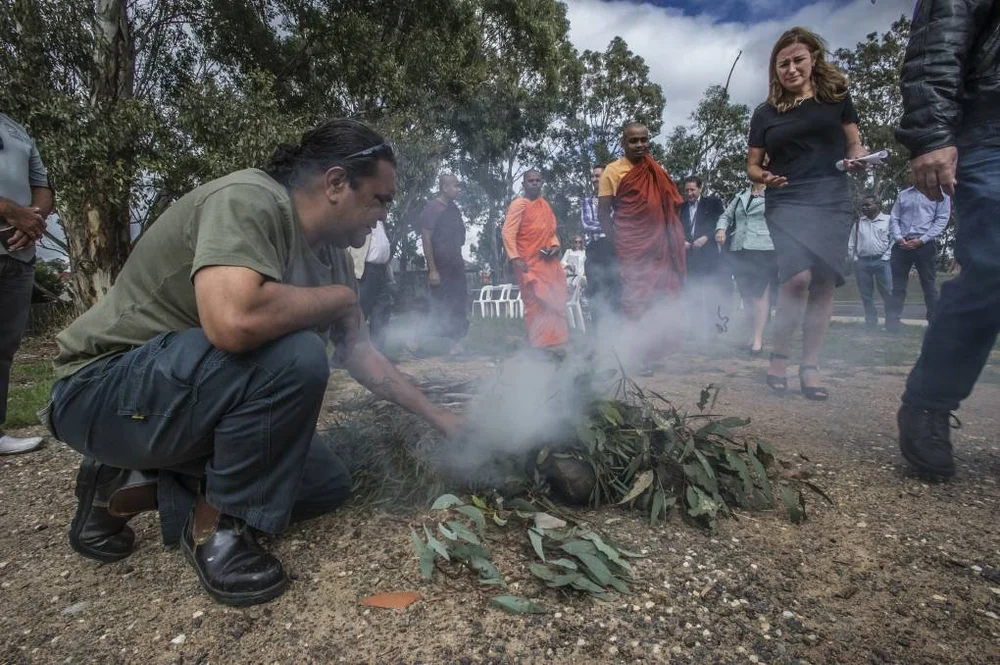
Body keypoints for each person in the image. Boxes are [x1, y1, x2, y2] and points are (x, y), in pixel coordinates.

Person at [44, 119, 462, 606]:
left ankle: (122, 482)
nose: (383, 216)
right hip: (96, 390)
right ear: (335, 183)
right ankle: (216, 528)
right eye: (380, 199)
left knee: (325, 484)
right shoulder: (248, 199)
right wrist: (337, 300)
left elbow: (362, 355)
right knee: (298, 356)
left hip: (165, 402)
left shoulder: (330, 258)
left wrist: (442, 418)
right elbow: (233, 322)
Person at [895, 0, 1000, 480]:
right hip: (992, 127)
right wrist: (931, 132)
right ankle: (929, 402)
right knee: (992, 269)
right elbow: (943, 27)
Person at [747, 27, 869, 401]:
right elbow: (752, 166)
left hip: (831, 198)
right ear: (775, 70)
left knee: (824, 282)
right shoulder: (765, 114)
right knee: (796, 279)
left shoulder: (837, 101)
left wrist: (859, 159)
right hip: (787, 198)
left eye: (798, 59)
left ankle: (810, 364)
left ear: (814, 59)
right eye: (782, 63)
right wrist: (765, 176)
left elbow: (855, 142)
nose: (791, 68)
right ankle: (779, 355)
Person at [597, 122, 686, 375]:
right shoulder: (612, 172)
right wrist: (617, 240)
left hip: (660, 246)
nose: (639, 145)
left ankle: (653, 352)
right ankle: (634, 354)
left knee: (660, 295)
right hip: (631, 245)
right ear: (623, 142)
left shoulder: (656, 169)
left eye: (643, 140)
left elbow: (672, 203)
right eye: (633, 141)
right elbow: (603, 213)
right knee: (636, 298)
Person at [0, 112, 54, 455]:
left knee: (4, 346)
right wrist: (7, 208)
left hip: (17, 251)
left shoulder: (15, 127)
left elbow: (43, 186)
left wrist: (32, 217)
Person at [501, 170, 568, 351]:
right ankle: (539, 345)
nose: (535, 183)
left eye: (538, 180)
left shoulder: (545, 205)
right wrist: (515, 258)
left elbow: (551, 232)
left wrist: (554, 247)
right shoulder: (518, 205)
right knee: (535, 303)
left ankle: (555, 343)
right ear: (523, 184)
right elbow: (508, 232)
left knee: (553, 300)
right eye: (531, 181)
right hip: (527, 264)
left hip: (547, 263)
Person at [715, 182, 776, 356]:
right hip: (739, 248)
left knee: (760, 294)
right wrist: (721, 229)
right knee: (747, 295)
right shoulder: (742, 194)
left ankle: (758, 339)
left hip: (763, 248)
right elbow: (726, 215)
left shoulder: (773, 193)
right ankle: (751, 335)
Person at [886, 177, 951, 331]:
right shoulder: (903, 194)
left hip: (924, 246)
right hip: (902, 245)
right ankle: (892, 323)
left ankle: (934, 324)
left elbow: (941, 220)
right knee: (898, 286)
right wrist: (899, 238)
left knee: (929, 285)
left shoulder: (940, 195)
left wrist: (922, 240)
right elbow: (894, 218)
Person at [419, 173, 468, 354]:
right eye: (455, 186)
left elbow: (459, 238)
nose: (458, 189)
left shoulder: (454, 209)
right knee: (439, 305)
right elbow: (426, 238)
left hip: (456, 264)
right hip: (440, 266)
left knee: (458, 302)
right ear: (444, 187)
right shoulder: (432, 208)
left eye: (458, 186)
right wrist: (432, 269)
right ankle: (416, 341)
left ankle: (454, 344)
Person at [679, 176, 728, 337]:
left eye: (692, 189)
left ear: (700, 188)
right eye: (687, 190)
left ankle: (716, 328)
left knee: (711, 291)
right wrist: (683, 241)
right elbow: (676, 228)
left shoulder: (712, 203)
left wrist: (707, 237)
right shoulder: (682, 207)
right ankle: (695, 329)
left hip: (709, 256)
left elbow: (721, 222)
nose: (689, 193)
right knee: (693, 292)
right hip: (690, 256)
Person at [848, 194, 894, 331]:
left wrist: (886, 256)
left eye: (868, 205)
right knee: (866, 294)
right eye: (863, 205)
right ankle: (871, 322)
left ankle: (890, 323)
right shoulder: (858, 223)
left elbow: (894, 240)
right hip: (862, 263)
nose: (864, 207)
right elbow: (851, 243)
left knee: (888, 292)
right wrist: (854, 258)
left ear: (877, 205)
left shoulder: (888, 220)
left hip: (882, 261)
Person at [581, 165, 620, 322]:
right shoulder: (587, 201)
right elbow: (586, 223)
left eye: (598, 176)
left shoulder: (615, 201)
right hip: (594, 250)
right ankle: (597, 336)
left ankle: (618, 333)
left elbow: (620, 221)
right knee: (595, 292)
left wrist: (609, 225)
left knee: (615, 291)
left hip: (612, 250)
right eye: (593, 176)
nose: (595, 179)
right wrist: (608, 226)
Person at [348, 219, 392, 351]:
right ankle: (347, 354)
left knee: (382, 311)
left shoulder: (380, 221)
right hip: (366, 270)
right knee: (361, 311)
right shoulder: (359, 216)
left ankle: (378, 352)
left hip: (381, 270)